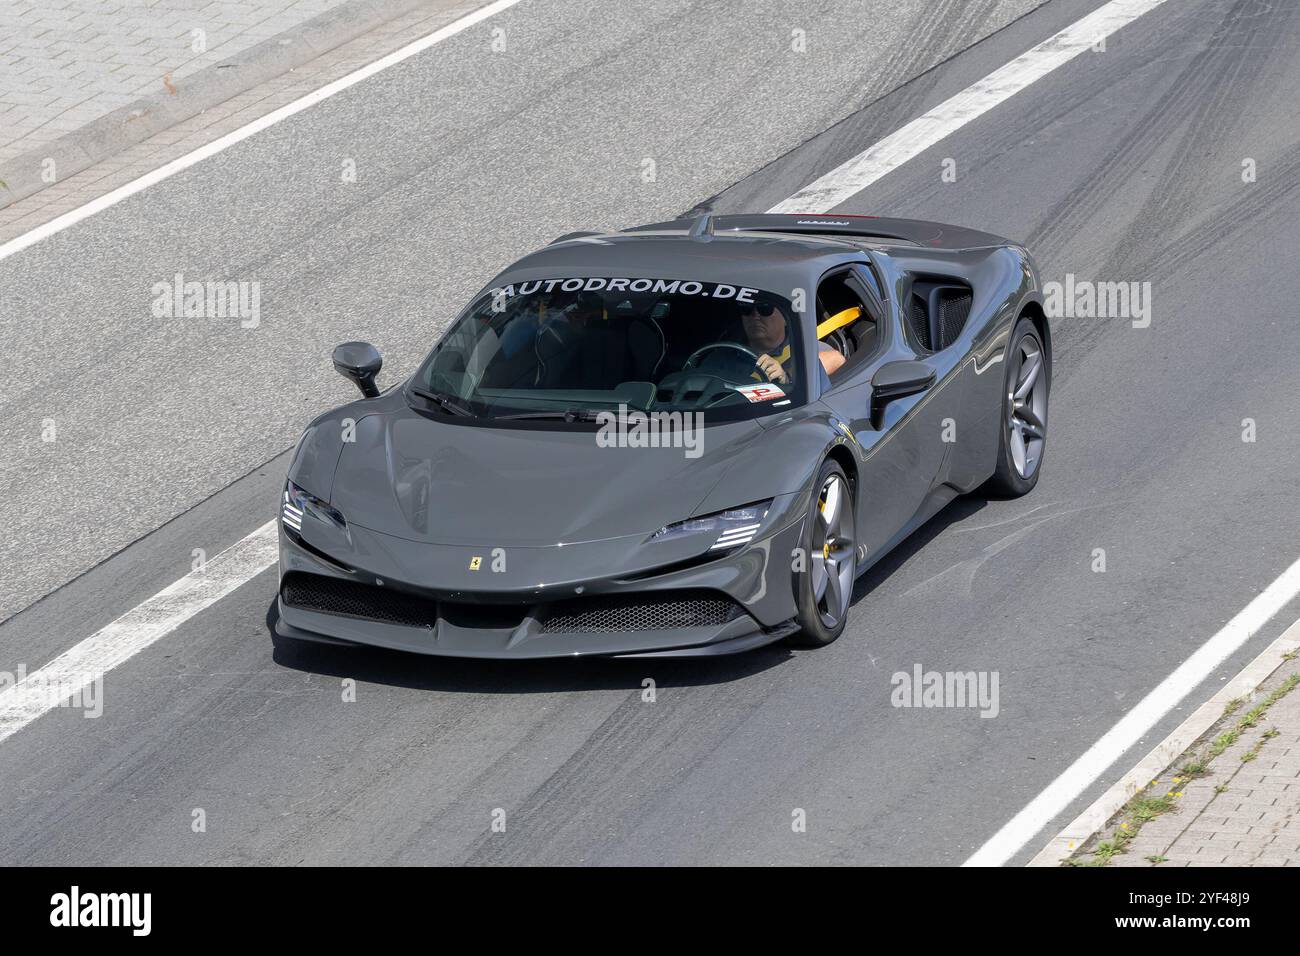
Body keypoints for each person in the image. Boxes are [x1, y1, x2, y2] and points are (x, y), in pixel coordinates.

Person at [737, 297, 845, 385]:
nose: (755, 315)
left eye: (765, 309)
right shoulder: (727, 351)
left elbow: (836, 359)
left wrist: (787, 377)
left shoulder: (806, 348)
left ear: (785, 318)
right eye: (747, 309)